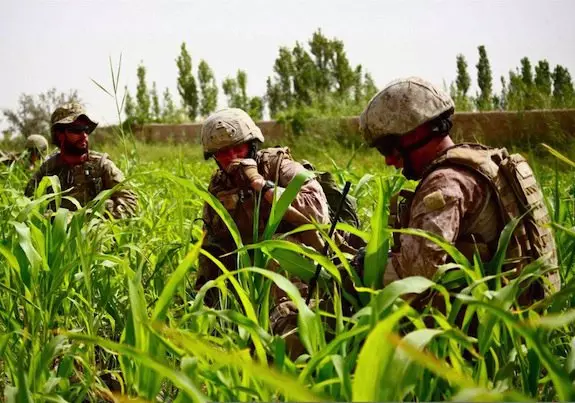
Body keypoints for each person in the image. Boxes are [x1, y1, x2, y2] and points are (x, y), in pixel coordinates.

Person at [357, 76, 560, 309]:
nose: (389, 160)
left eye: (388, 147)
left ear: (417, 132)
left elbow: (415, 278)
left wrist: (363, 266)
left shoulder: (446, 183)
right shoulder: (484, 164)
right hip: (530, 311)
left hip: (485, 329)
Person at [195, 107, 338, 359]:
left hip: (299, 266)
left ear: (251, 146)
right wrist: (203, 298)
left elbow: (316, 211)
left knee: (276, 248)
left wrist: (261, 184)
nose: (232, 158)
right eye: (223, 153)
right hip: (253, 276)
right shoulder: (219, 186)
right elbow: (211, 243)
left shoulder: (278, 166)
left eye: (237, 149)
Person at [24, 102, 138, 219]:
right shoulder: (48, 169)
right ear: (60, 134)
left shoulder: (101, 164)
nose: (84, 135)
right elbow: (27, 202)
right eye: (77, 129)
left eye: (86, 129)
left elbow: (130, 202)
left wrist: (97, 219)